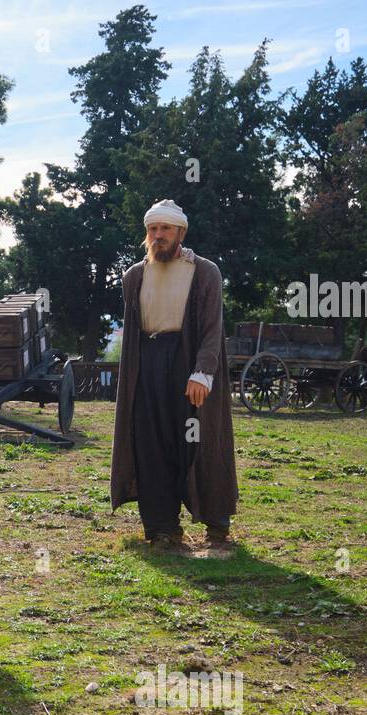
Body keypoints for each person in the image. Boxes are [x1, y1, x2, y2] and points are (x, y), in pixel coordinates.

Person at [110, 199, 238, 554]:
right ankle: (162, 528)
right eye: (153, 229)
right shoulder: (134, 275)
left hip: (188, 364)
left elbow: (213, 329)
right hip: (148, 364)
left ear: (180, 232)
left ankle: (216, 525)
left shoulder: (205, 271)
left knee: (200, 442)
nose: (158, 235)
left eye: (166, 229)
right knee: (151, 445)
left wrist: (202, 373)